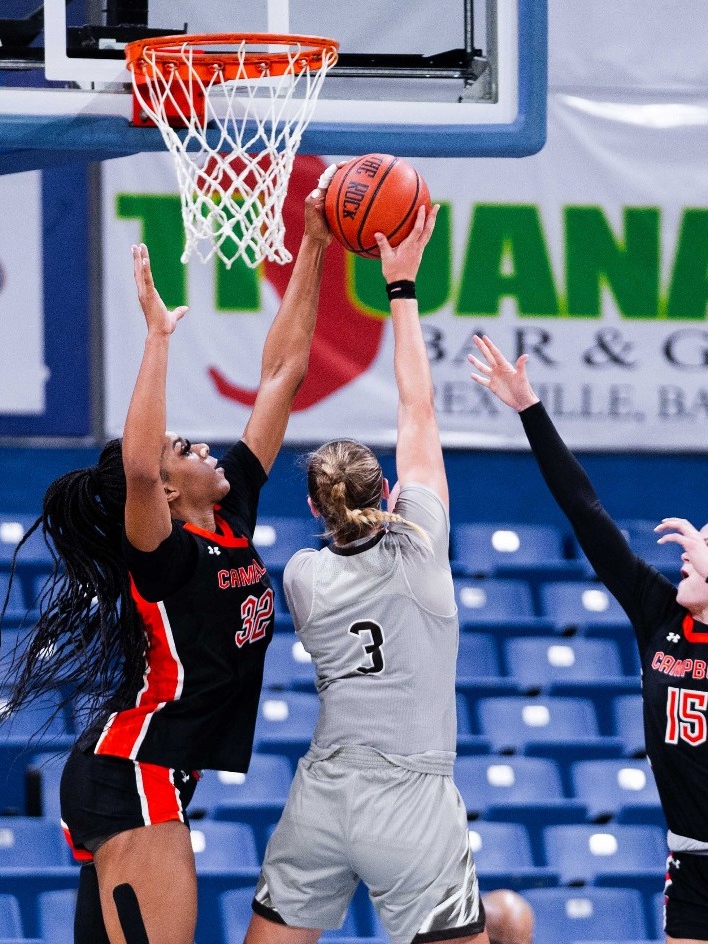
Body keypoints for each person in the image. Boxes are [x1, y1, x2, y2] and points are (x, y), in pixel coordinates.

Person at [0, 190, 331, 944]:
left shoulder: (232, 511)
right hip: (134, 775)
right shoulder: (166, 553)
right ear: (171, 490)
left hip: (144, 776)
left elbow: (283, 371)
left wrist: (312, 243)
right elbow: (140, 470)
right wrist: (157, 339)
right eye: (186, 447)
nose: (205, 447)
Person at [468, 336, 708, 944]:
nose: (687, 551)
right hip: (693, 862)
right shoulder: (659, 614)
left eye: (706, 546)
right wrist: (528, 407)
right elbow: (588, 514)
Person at [245, 206, 486, 944]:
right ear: (385, 492)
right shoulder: (419, 549)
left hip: (322, 796)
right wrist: (401, 285)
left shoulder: (303, 576)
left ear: (313, 505)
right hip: (410, 803)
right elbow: (419, 408)